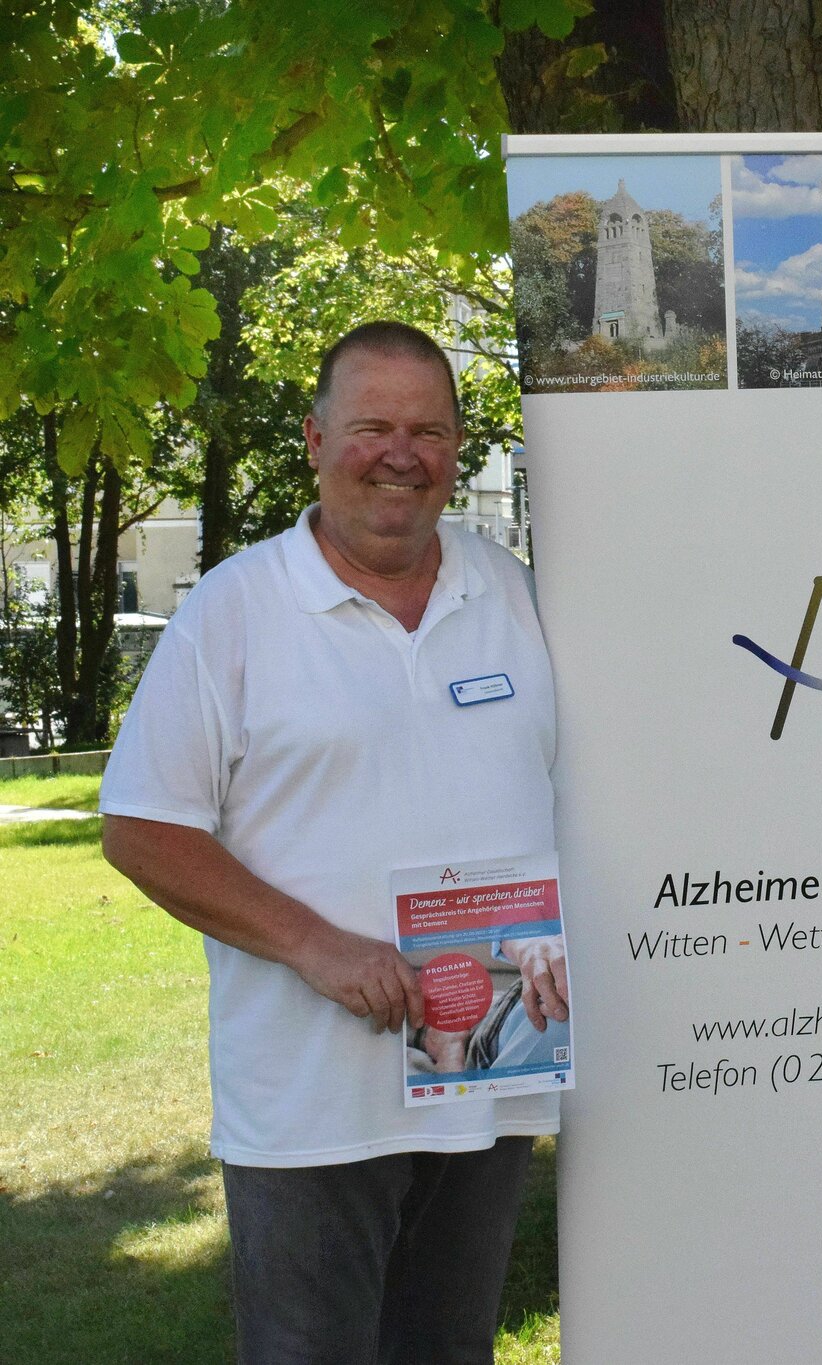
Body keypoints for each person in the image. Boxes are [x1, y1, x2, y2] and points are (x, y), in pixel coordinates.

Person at [100, 321, 566, 1364]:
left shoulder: (518, 594)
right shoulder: (235, 610)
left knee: (449, 1350)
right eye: (371, 427)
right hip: (313, 1102)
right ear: (314, 440)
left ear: (456, 449)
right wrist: (316, 946)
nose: (401, 454)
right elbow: (140, 828)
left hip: (488, 1073)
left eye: (430, 431)